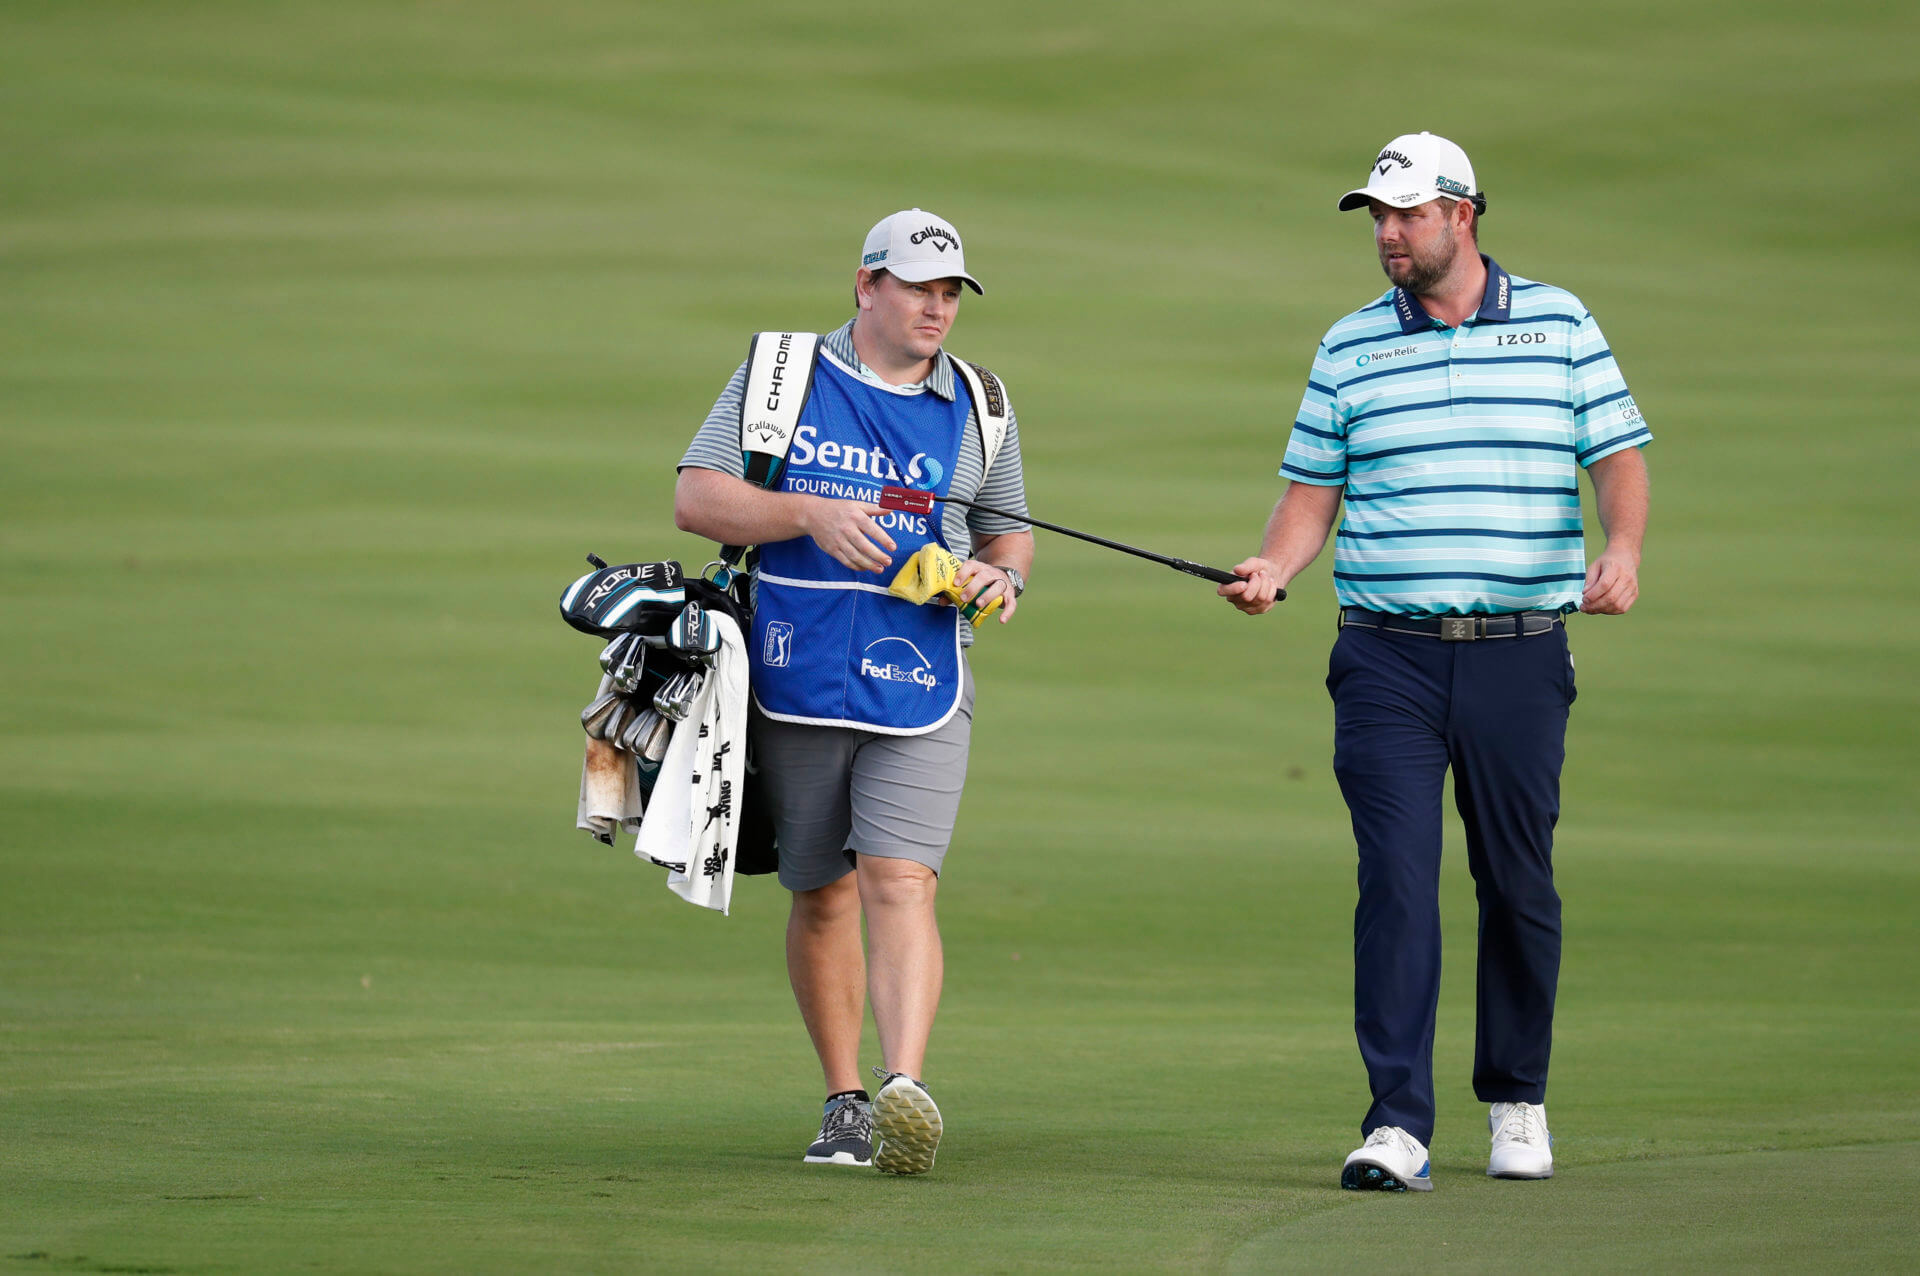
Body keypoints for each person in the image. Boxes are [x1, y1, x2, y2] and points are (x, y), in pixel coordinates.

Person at [1221, 133, 1651, 1191]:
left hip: (1519, 652)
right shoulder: (1350, 345)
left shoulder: (1560, 320)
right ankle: (1397, 1123)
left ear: (1465, 214)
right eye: (1377, 216)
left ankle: (1515, 1098)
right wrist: (1275, 562)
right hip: (1386, 659)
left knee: (1516, 880)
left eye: (1407, 215)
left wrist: (1625, 550)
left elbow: (1617, 451)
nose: (1387, 234)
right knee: (1398, 883)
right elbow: (1313, 491)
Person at [673, 209, 1033, 1174]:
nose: (936, 307)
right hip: (792, 668)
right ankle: (845, 1101)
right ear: (866, 285)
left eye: (951, 291)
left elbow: (1008, 533)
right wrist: (804, 512)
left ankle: (904, 1088)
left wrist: (1005, 577)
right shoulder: (782, 376)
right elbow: (696, 496)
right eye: (918, 287)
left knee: (901, 880)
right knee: (823, 894)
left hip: (920, 677)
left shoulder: (982, 401)